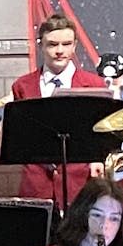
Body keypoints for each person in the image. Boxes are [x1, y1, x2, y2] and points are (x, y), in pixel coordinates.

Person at [9, 13, 108, 207]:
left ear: (75, 45)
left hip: (80, 186)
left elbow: (102, 133)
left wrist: (98, 159)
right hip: (37, 186)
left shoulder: (94, 84)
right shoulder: (23, 86)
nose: (60, 51)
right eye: (53, 44)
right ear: (41, 45)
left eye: (66, 44)